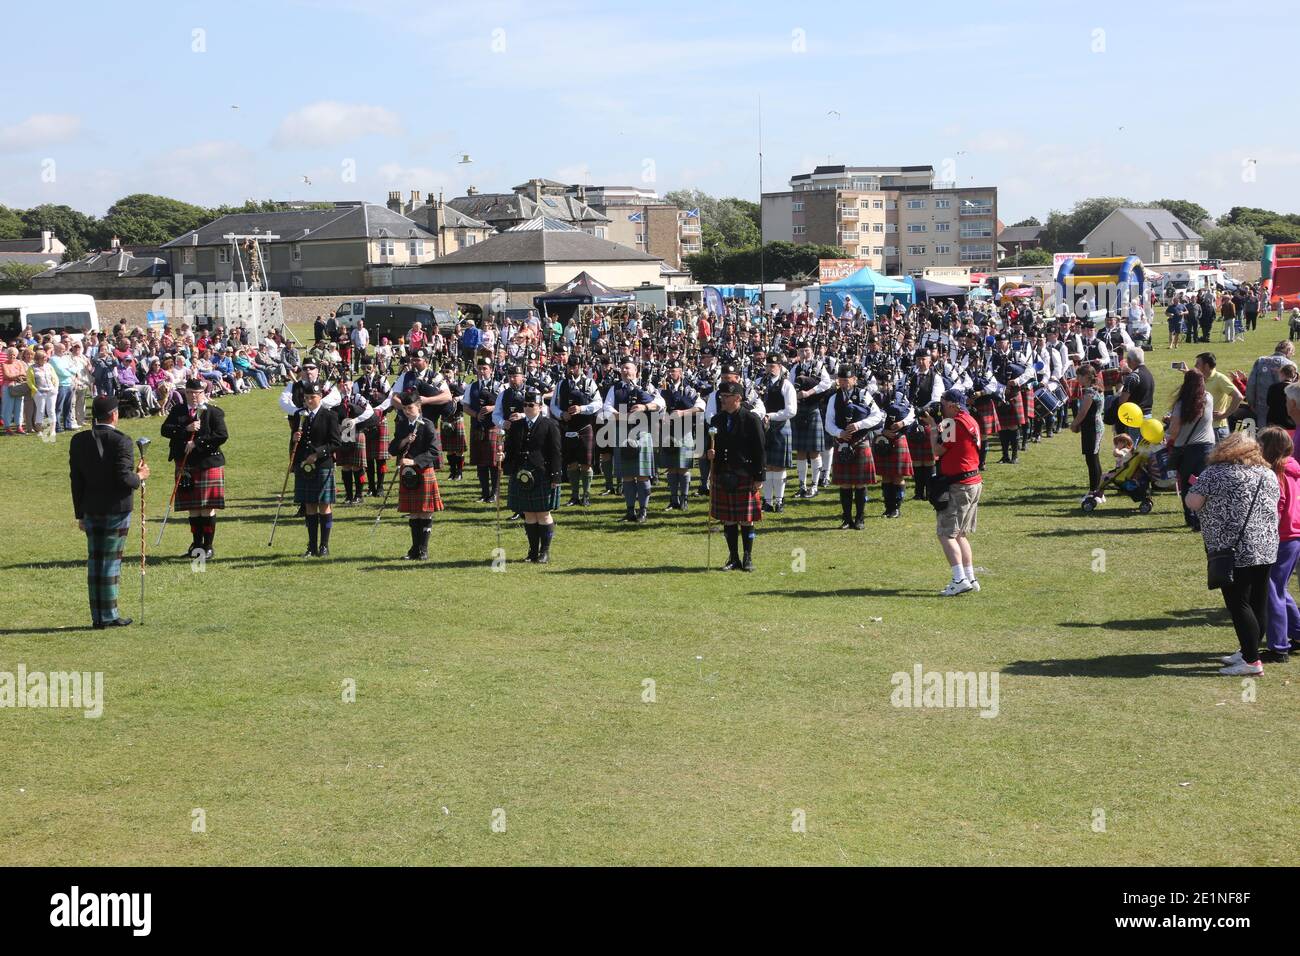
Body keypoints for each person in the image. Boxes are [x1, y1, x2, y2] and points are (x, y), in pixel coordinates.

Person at [1185, 433, 1280, 677]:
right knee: (1259, 600)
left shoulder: (1216, 473)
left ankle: (1250, 661)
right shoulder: (1267, 474)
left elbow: (1193, 502)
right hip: (1266, 546)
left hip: (1233, 549)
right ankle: (1249, 651)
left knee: (1239, 603)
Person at [68, 395, 149, 628]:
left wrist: (79, 514)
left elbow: (76, 480)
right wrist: (140, 476)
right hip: (116, 509)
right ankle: (109, 615)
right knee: (110, 563)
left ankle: (98, 616)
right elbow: (125, 479)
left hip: (90, 509)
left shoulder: (78, 440)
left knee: (95, 563)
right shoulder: (121, 441)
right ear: (114, 415)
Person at [159, 378, 228, 560]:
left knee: (207, 508)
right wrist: (185, 429)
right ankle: (196, 545)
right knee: (193, 509)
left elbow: (221, 435)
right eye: (189, 393)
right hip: (186, 465)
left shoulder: (213, 412)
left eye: (197, 393)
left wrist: (197, 443)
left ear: (203, 393)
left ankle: (208, 546)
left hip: (208, 464)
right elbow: (165, 430)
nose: (193, 396)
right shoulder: (178, 411)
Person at [929, 388, 983, 596]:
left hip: (959, 484)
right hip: (973, 481)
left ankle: (959, 579)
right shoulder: (969, 419)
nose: (940, 409)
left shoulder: (953, 422)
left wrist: (933, 428)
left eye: (942, 405)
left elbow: (937, 450)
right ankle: (970, 577)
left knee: (946, 533)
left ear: (952, 405)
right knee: (960, 534)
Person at [707, 380, 765, 571]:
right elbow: (712, 445)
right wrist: (710, 454)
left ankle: (747, 558)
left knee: (745, 520)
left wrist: (759, 477)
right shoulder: (716, 420)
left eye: (726, 397)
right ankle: (733, 558)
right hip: (723, 473)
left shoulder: (751, 419)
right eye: (721, 396)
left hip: (745, 474)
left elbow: (759, 450)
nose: (722, 400)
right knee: (729, 519)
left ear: (738, 398)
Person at [502, 388, 563, 563]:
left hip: (542, 473)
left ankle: (545, 552)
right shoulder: (516, 425)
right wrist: (503, 458)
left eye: (532, 405)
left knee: (543, 514)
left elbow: (556, 452)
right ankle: (532, 552)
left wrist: (556, 477)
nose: (528, 408)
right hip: (521, 473)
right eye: (526, 405)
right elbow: (511, 449)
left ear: (540, 406)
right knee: (529, 514)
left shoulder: (550, 424)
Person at [823, 364, 884, 530]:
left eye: (847, 379)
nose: (844, 383)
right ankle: (846, 518)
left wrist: (859, 425)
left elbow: (877, 416)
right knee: (845, 484)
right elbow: (828, 422)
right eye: (841, 380)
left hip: (860, 441)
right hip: (842, 443)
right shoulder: (833, 398)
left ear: (854, 379)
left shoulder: (864, 395)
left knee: (860, 483)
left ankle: (860, 518)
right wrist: (839, 433)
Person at [1258, 426, 1300, 663]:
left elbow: (1278, 504)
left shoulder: (1277, 474)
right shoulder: (1293, 469)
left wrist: (1267, 530)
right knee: (1280, 587)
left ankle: (1278, 646)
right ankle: (1297, 632)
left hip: (1281, 536)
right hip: (1294, 534)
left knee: (1270, 589)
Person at [391, 389, 444, 561]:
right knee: (414, 512)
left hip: (423, 471)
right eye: (405, 408)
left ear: (419, 407)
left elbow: (434, 451)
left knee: (425, 512)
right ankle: (414, 549)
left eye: (410, 408)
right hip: (408, 474)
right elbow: (392, 449)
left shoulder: (427, 424)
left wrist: (414, 461)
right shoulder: (402, 425)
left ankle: (423, 549)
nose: (407, 411)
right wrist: (405, 440)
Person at [292, 382, 341, 557]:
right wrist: (295, 438)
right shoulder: (300, 416)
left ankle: (324, 546)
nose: (309, 401)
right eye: (306, 398)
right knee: (309, 506)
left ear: (320, 397)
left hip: (322, 466)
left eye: (312, 397)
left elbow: (336, 443)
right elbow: (296, 444)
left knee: (324, 506)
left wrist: (318, 454)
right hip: (304, 467)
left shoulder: (330, 416)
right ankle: (311, 546)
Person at [1165, 369, 1216, 530]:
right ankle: (1204, 516)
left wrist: (1168, 424)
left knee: (1187, 484)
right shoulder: (1208, 398)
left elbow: (1174, 431)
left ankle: (1191, 517)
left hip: (1185, 449)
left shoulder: (1181, 404)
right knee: (1203, 483)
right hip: (1207, 447)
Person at [1069, 362, 1105, 496]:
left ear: (1086, 377)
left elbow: (1083, 412)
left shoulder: (1090, 391)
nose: (1077, 379)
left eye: (1079, 376)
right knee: (1093, 458)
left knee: (1092, 459)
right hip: (1092, 427)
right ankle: (1099, 490)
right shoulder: (1097, 388)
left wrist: (1074, 424)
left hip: (1093, 428)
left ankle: (1094, 491)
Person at [1245, 341, 1296, 430]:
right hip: (1284, 408)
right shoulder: (1290, 365)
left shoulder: (1261, 361)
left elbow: (1251, 384)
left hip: (1262, 405)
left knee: (1264, 435)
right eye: (1292, 352)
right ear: (1288, 350)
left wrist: (1251, 402)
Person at [1194, 352, 1243, 443]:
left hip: (1217, 430)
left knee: (1218, 457)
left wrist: (1224, 415)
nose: (1195, 366)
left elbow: (1238, 397)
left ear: (1206, 366)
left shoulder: (1220, 379)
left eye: (1198, 364)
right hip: (1202, 428)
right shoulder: (1201, 379)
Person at [2, 346, 29, 434]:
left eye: (14, 355)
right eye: (10, 354)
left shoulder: (19, 363)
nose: (12, 356)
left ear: (16, 355)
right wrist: (18, 375)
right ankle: (7, 427)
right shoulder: (4, 364)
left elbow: (24, 374)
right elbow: (7, 376)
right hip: (7, 387)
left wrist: (16, 375)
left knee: (19, 407)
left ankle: (19, 426)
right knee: (8, 408)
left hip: (18, 387)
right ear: (7, 355)